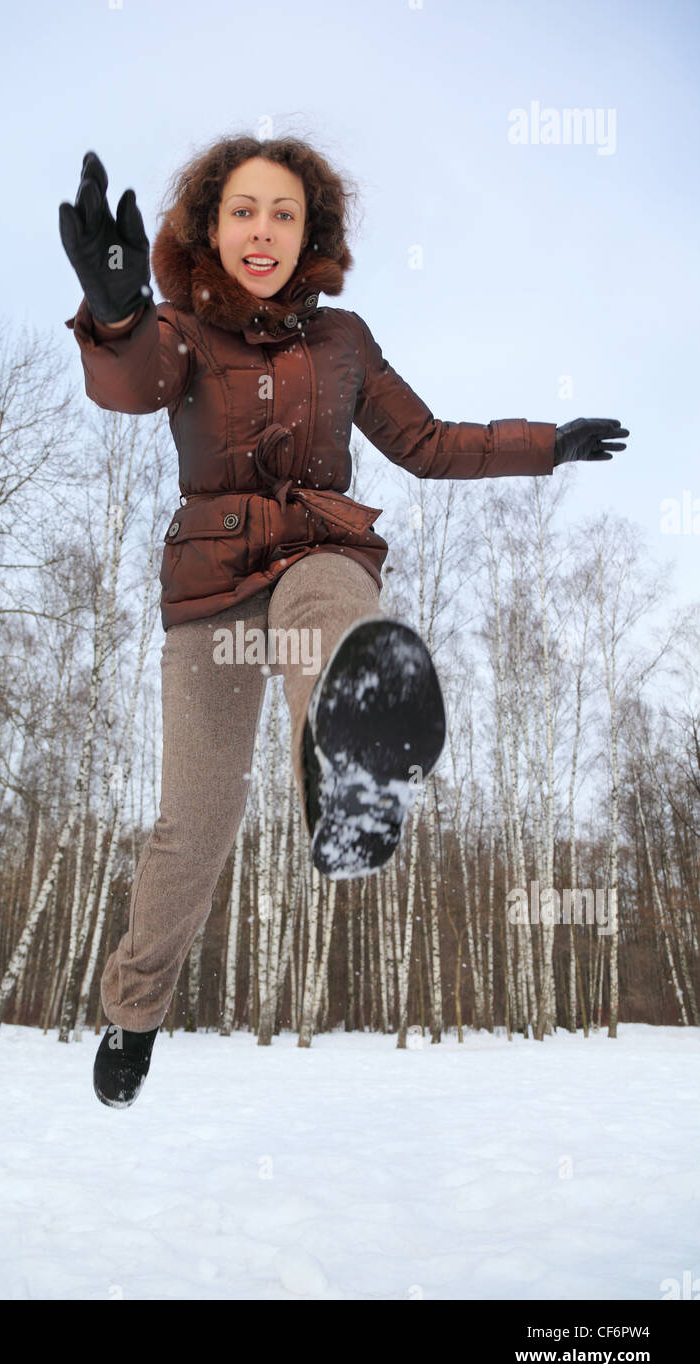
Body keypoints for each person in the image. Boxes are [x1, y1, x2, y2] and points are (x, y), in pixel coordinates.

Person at [59, 137, 629, 1107]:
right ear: (210, 225)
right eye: (242, 211)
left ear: (308, 232)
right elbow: (133, 385)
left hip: (316, 552)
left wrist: (545, 443)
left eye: (282, 214)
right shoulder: (182, 330)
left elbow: (428, 443)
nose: (261, 231)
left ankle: (345, 773)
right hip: (208, 589)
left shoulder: (345, 341)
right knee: (194, 824)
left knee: (329, 603)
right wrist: (116, 317)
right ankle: (132, 1011)